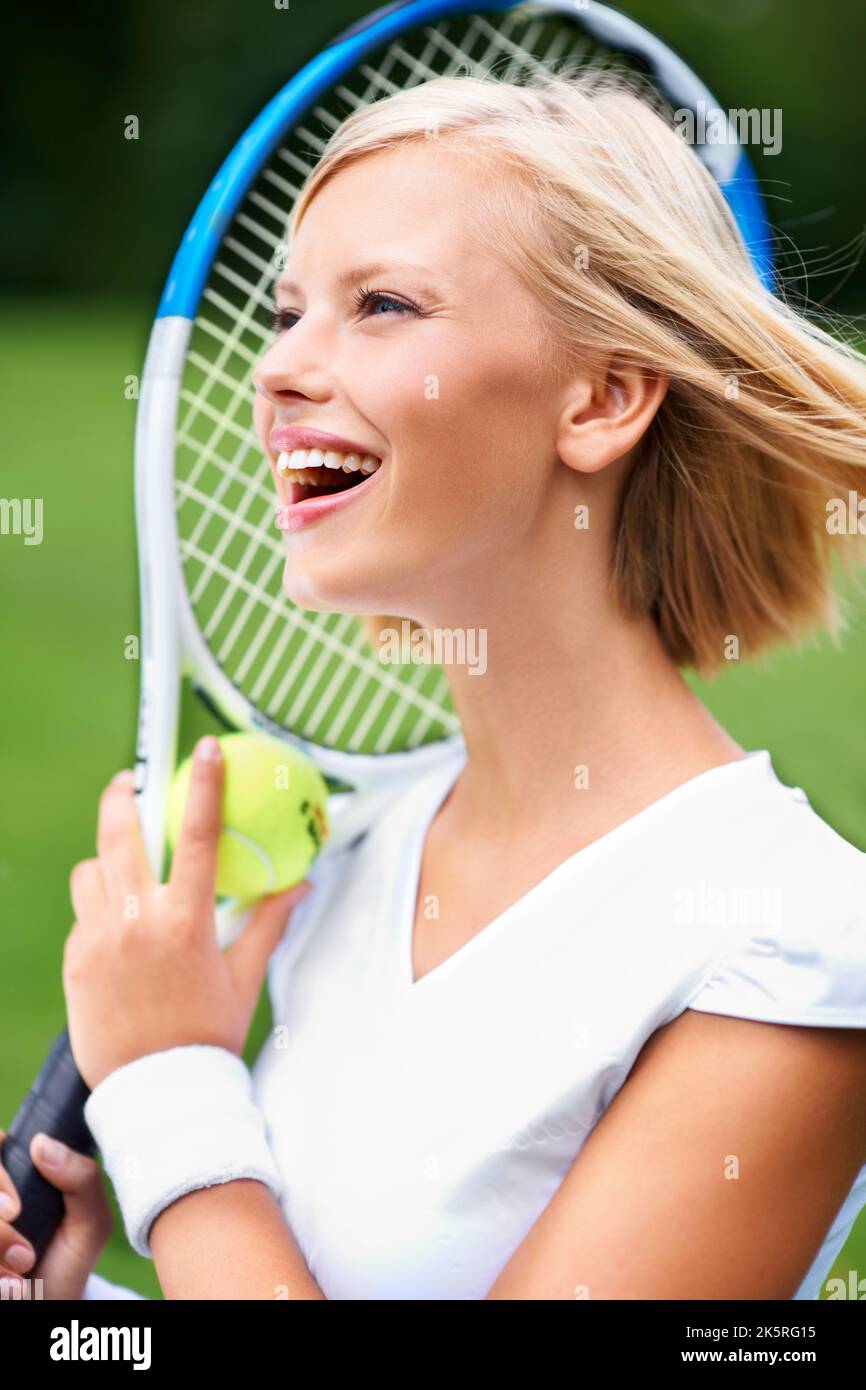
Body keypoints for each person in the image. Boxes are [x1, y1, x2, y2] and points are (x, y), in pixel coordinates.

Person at [3, 67, 866, 1301]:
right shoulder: (353, 859)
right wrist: (77, 1313)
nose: (282, 369)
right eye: (288, 310)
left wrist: (170, 1096)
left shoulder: (792, 945)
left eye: (383, 305)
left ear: (605, 398)